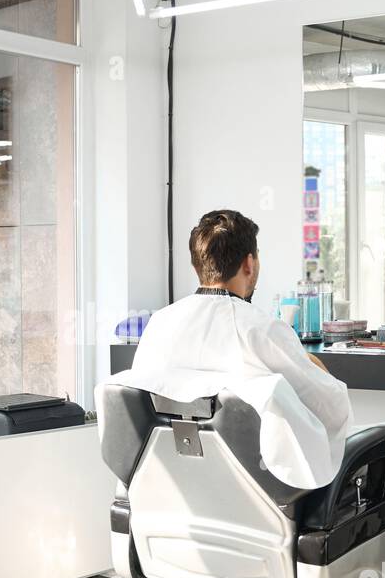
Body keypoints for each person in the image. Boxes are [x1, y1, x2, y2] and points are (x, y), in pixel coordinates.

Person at [121, 209, 351, 488]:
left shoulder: (159, 324)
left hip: (179, 491)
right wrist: (309, 361)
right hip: (260, 496)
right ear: (249, 264)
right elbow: (332, 408)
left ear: (197, 265)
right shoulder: (262, 330)